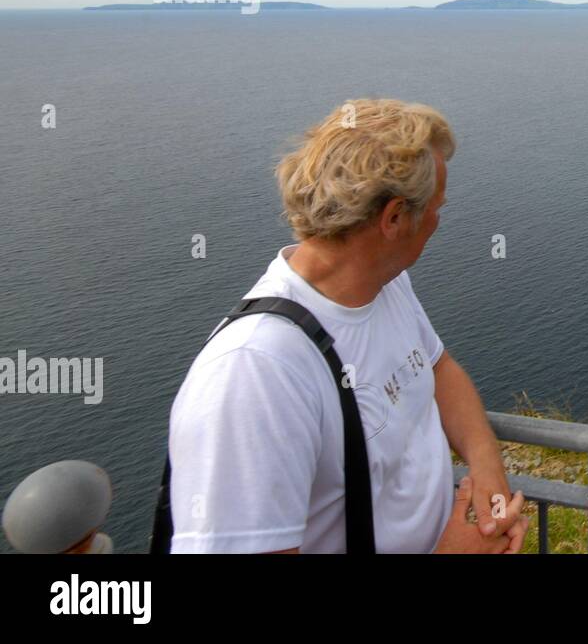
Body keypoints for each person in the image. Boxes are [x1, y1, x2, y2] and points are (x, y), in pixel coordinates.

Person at [166, 99, 527, 553]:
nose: (439, 219)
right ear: (394, 218)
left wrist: (485, 461)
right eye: (437, 207)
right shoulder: (255, 374)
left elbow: (438, 369)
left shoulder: (387, 287)